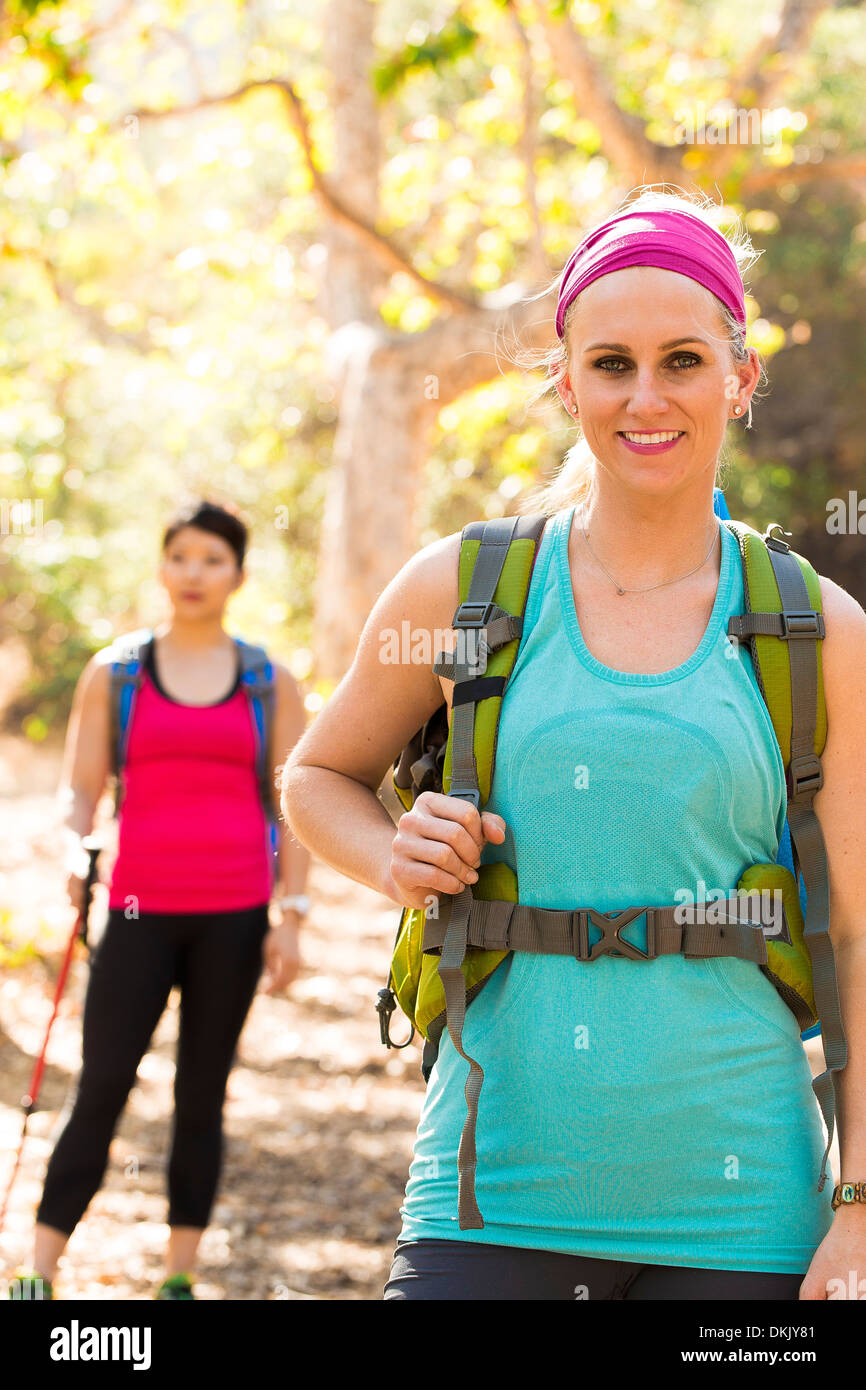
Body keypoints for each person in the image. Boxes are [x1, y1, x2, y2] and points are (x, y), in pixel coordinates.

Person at [280, 187, 866, 1301]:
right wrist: (390, 856)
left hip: (744, 1223)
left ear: (738, 379)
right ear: (563, 382)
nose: (645, 396)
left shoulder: (817, 630)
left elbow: (864, 935)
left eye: (682, 360)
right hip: (485, 1200)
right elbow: (316, 774)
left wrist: (859, 1207)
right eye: (610, 364)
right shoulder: (466, 585)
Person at [14, 498, 309, 1301]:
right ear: (161, 564)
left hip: (236, 914)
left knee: (200, 1094)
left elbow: (296, 806)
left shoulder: (267, 682)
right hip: (139, 912)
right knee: (102, 1082)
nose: (193, 573)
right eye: (180, 555)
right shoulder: (114, 674)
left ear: (238, 575)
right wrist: (78, 848)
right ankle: (38, 1271)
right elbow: (80, 792)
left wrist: (293, 916)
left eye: (212, 559)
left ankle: (177, 1274)